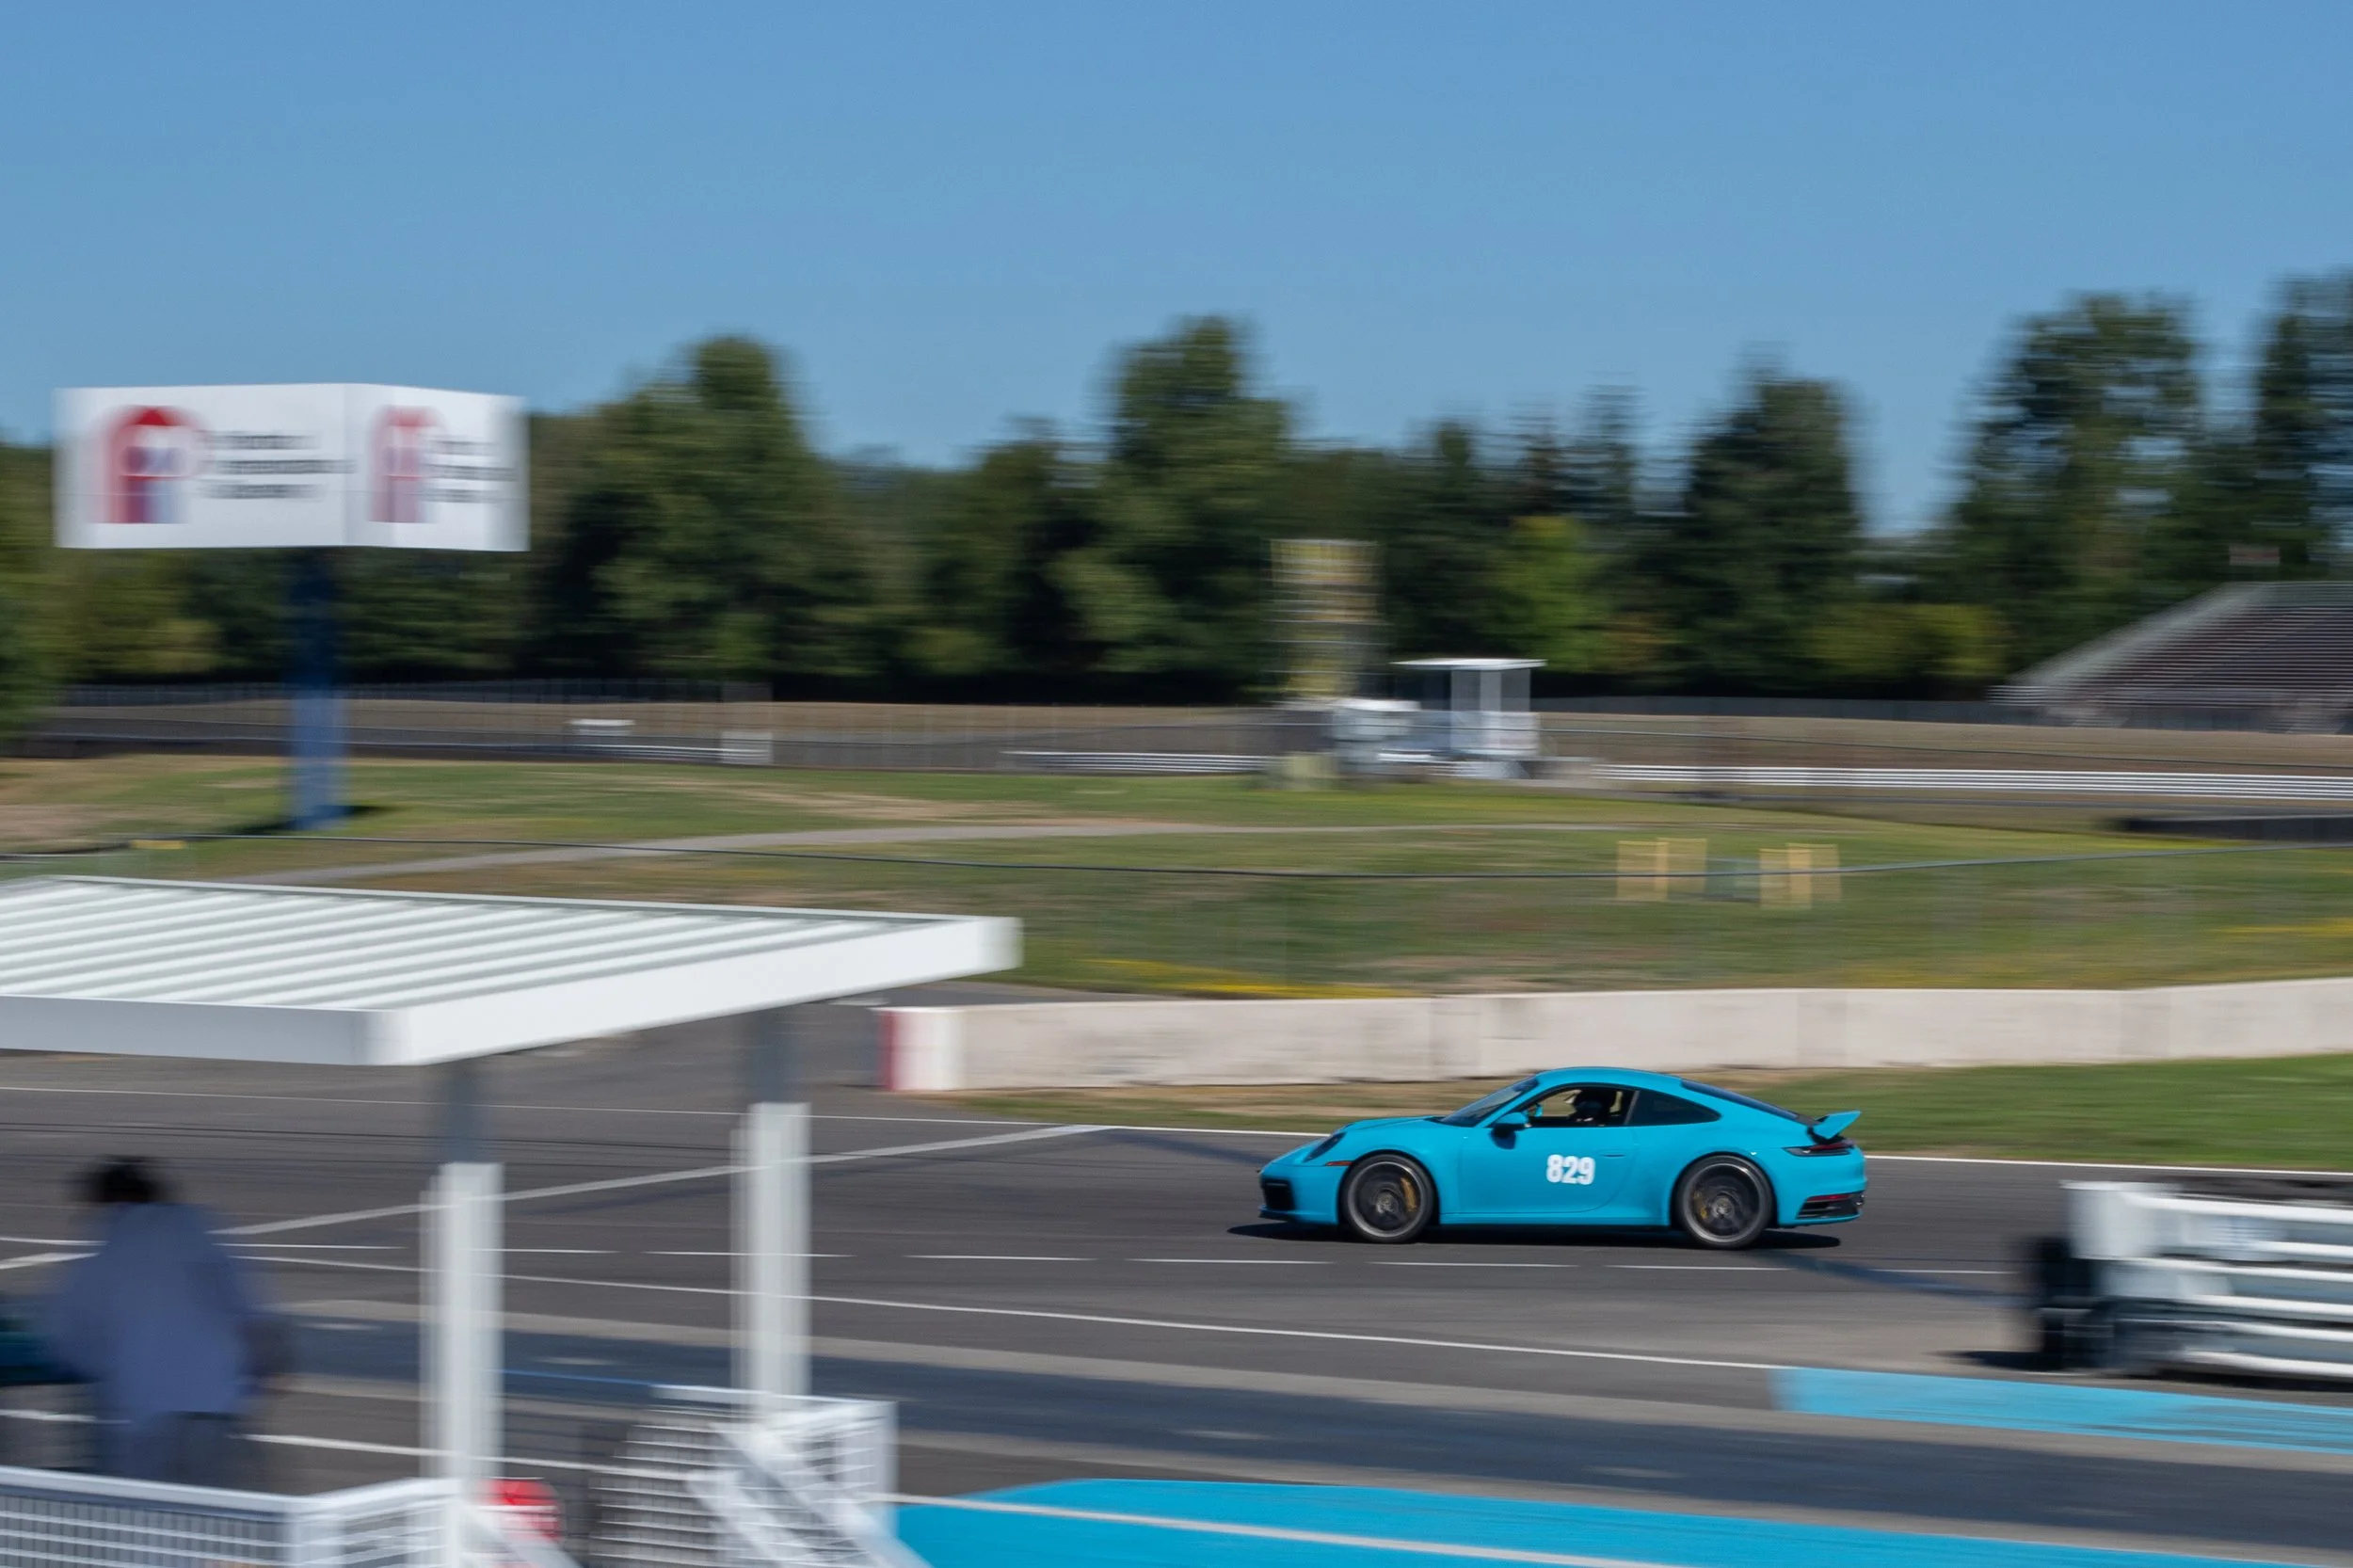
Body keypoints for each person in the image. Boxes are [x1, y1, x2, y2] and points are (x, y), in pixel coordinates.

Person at [41, 1159, 281, 1485]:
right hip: (215, 1406)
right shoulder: (200, 1228)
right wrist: (263, 1373)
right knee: (217, 1514)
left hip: (145, 1415)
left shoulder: (107, 1250)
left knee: (151, 1517)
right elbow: (252, 1310)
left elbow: (69, 1338)